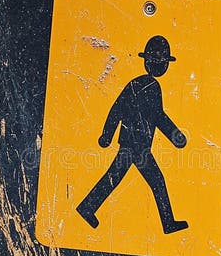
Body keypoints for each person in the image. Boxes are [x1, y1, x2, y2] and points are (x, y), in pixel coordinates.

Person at [76, 35, 188, 234]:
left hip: (134, 143)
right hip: (137, 145)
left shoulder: (140, 84)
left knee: (116, 177)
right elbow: (155, 116)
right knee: (154, 180)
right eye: (163, 63)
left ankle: (87, 207)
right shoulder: (150, 87)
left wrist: (108, 135)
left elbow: (118, 109)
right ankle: (168, 223)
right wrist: (175, 135)